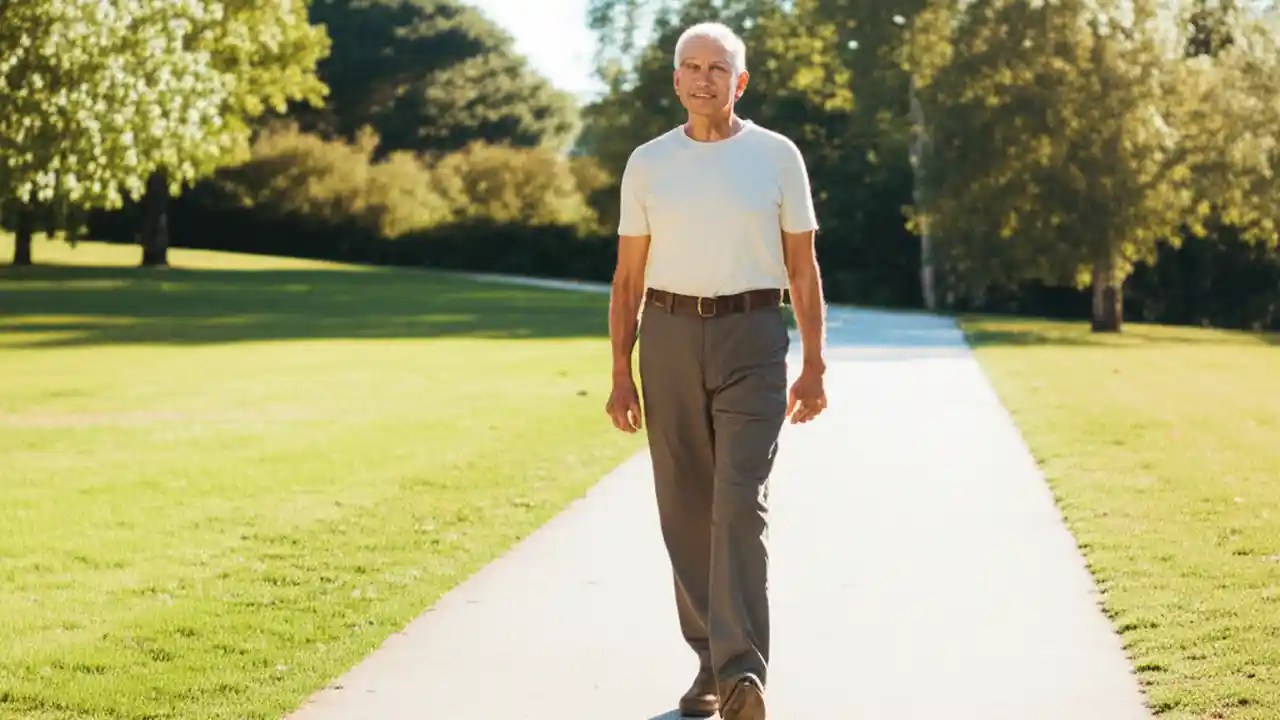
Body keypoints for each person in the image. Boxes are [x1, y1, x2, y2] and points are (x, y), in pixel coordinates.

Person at [604, 20, 829, 720]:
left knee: (738, 502)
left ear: (741, 81)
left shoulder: (777, 156)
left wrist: (815, 364)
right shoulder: (648, 163)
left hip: (753, 337)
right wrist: (620, 371)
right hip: (668, 337)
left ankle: (741, 676)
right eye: (693, 67)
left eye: (718, 68)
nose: (705, 79)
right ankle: (707, 659)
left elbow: (803, 267)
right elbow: (627, 278)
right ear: (676, 80)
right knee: (684, 508)